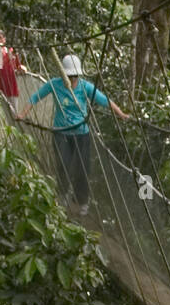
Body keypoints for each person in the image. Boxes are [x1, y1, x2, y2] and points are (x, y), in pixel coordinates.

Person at [19, 54, 130, 216]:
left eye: (75, 76)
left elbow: (104, 100)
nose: (72, 79)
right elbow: (36, 97)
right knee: (63, 165)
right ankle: (62, 195)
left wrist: (121, 114)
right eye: (69, 76)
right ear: (63, 74)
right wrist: (22, 114)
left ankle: (81, 201)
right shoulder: (55, 85)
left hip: (81, 134)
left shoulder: (85, 87)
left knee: (82, 168)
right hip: (61, 133)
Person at [0, 28, 26, 100]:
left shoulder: (11, 52)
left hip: (12, 89)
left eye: (0, 38)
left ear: (4, 39)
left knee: (13, 111)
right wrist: (5, 58)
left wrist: (23, 68)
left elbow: (18, 66)